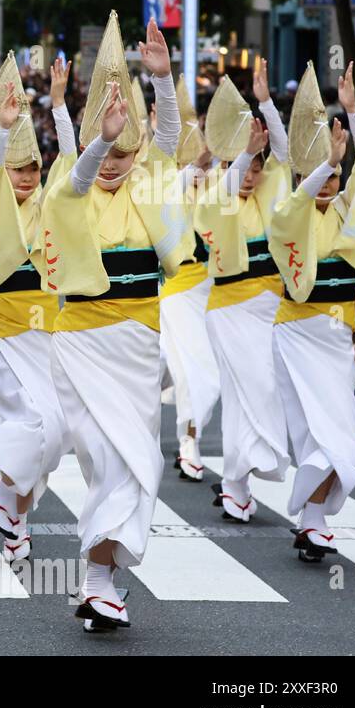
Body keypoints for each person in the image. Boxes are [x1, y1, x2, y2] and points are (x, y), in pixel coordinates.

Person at [40, 14, 183, 631]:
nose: (113, 162)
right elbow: (75, 173)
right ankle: (100, 579)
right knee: (104, 456)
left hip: (137, 340)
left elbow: (170, 137)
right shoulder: (72, 189)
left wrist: (165, 82)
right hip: (80, 341)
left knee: (133, 461)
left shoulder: (150, 187)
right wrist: (95, 138)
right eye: (107, 150)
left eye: (125, 151)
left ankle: (100, 581)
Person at [269, 62, 355, 562]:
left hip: (335, 338)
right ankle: (312, 522)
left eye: (337, 174)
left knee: (340, 439)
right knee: (313, 433)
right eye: (324, 174)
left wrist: (353, 112)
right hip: (295, 333)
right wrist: (321, 166)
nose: (333, 181)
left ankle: (310, 519)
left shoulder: (345, 214)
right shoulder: (289, 214)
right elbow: (294, 204)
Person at [0, 55, 75, 562]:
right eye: (18, 167)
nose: (27, 175)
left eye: (33, 166)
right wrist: (1, 133)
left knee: (56, 429)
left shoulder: (53, 202)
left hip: (48, 334)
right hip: (3, 330)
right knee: (34, 421)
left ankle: (13, 519)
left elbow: (78, 168)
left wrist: (58, 106)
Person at [195, 63, 291, 522]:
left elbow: (286, 157)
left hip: (271, 306)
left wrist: (268, 104)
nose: (253, 174)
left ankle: (235, 483)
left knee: (253, 392)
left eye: (257, 166)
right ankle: (237, 478)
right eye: (247, 166)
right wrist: (240, 158)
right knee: (253, 387)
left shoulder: (269, 191)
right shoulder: (217, 192)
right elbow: (227, 187)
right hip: (229, 308)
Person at [157, 74, 218, 483]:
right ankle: (189, 442)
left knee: (170, 367)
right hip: (177, 291)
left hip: (213, 290)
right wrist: (189, 172)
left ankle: (184, 435)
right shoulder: (161, 183)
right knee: (198, 375)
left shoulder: (216, 186)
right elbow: (165, 202)